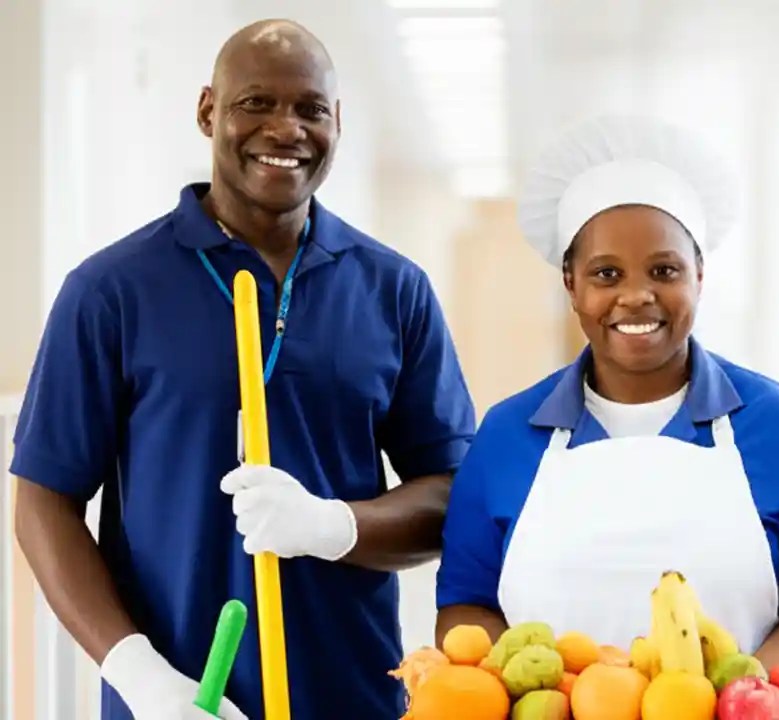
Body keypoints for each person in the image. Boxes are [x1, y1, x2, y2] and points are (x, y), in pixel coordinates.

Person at [11, 19, 475, 720]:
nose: (285, 129)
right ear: (208, 111)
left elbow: (452, 494)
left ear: (337, 123)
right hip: (178, 703)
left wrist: (333, 525)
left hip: (350, 695)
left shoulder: (393, 290)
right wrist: (140, 676)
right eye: (256, 102)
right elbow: (43, 502)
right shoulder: (111, 291)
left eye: (310, 109)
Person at [432, 115, 779, 691]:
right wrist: (529, 695)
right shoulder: (507, 435)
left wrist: (748, 694)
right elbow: (465, 604)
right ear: (571, 284)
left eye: (664, 271)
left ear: (699, 276)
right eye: (606, 273)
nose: (636, 295)